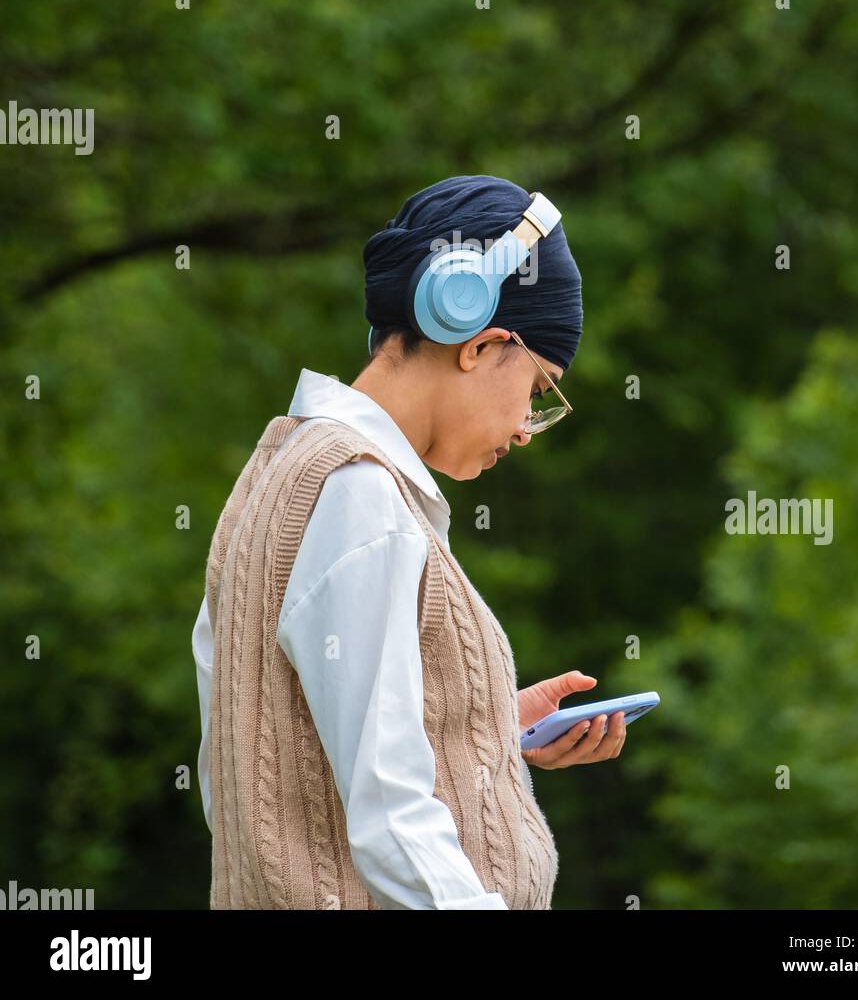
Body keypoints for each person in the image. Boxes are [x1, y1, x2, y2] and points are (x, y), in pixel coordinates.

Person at [192, 174, 626, 910]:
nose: (526, 427)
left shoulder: (279, 473)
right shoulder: (360, 497)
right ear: (479, 341)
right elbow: (391, 818)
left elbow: (255, 757)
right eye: (537, 388)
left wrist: (481, 730)